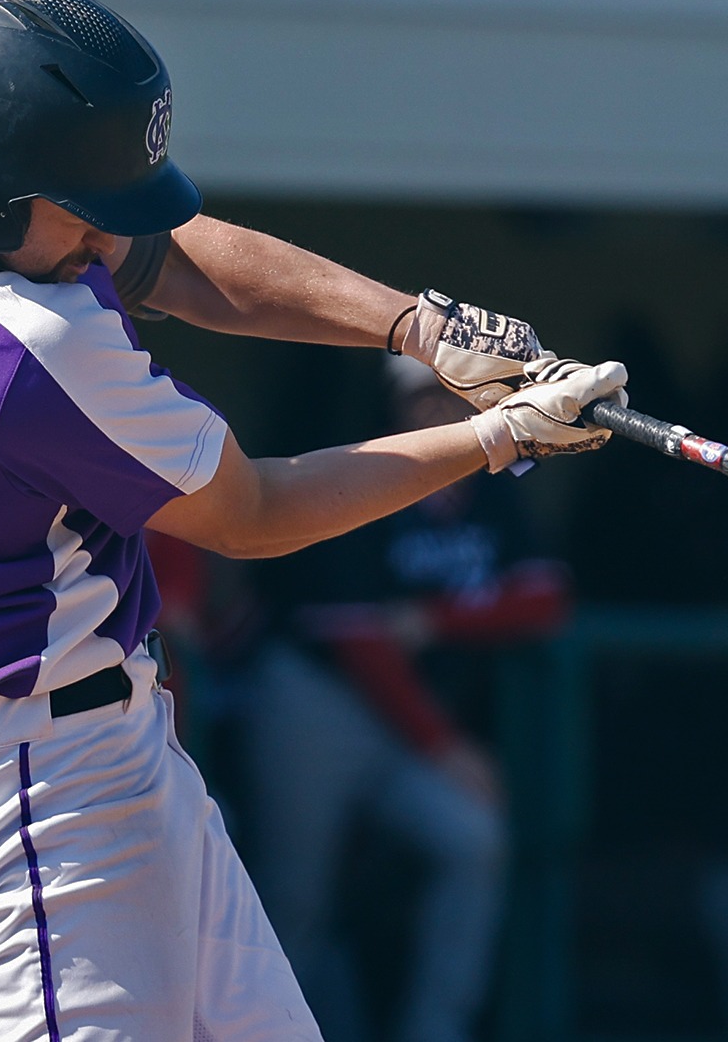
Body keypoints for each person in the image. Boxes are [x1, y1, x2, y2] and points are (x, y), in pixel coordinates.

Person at [0, 0, 627, 1040]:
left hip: (94, 750)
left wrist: (418, 328)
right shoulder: (24, 358)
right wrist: (496, 438)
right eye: (80, 213)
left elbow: (162, 256)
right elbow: (258, 511)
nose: (102, 243)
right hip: (20, 800)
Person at [241, 357, 574, 1042]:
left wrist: (435, 621)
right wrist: (444, 746)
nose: (441, 414)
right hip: (316, 699)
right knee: (295, 896)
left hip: (411, 711)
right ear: (397, 408)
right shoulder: (366, 470)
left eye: (454, 400)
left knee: (472, 840)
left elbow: (546, 599)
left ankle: (435, 1031)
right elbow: (358, 636)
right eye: (425, 401)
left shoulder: (494, 488)